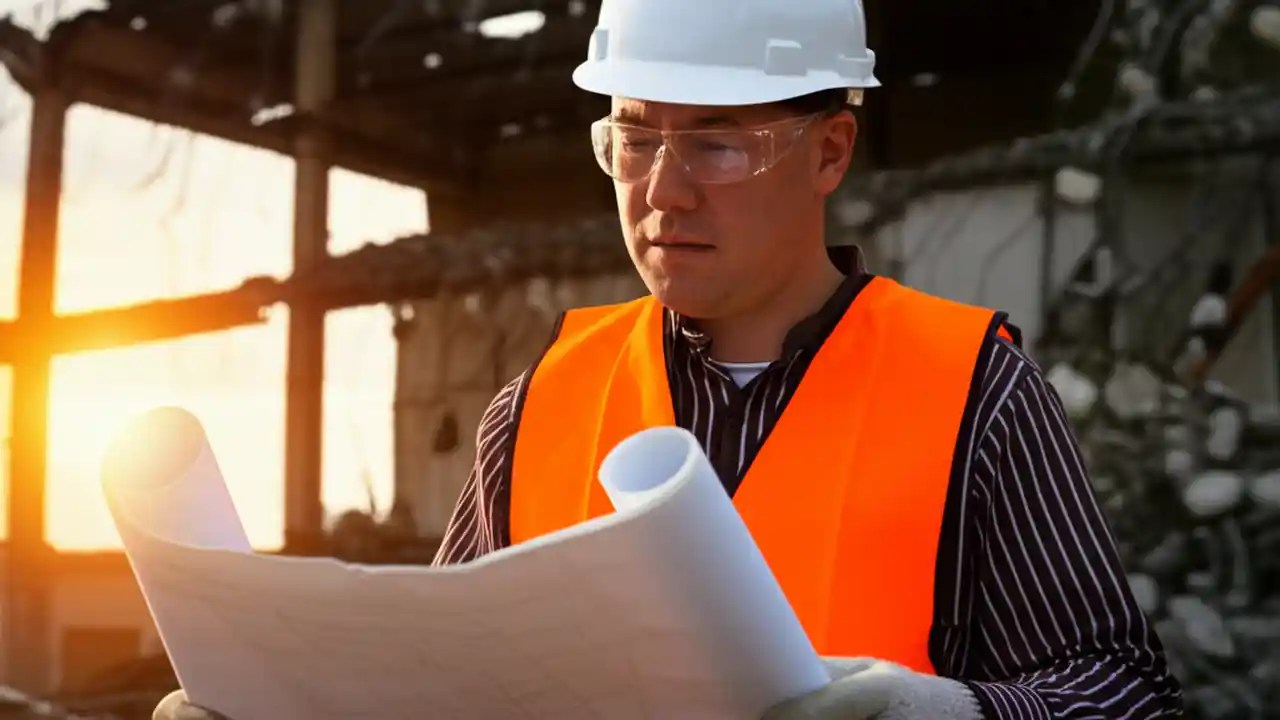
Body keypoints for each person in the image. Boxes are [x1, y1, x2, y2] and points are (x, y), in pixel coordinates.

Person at [155, 0, 1184, 718]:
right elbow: (434, 691)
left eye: (717, 143)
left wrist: (954, 713)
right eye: (635, 139)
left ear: (829, 150)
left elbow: (1120, 689)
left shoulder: (971, 392)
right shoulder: (537, 406)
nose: (661, 193)